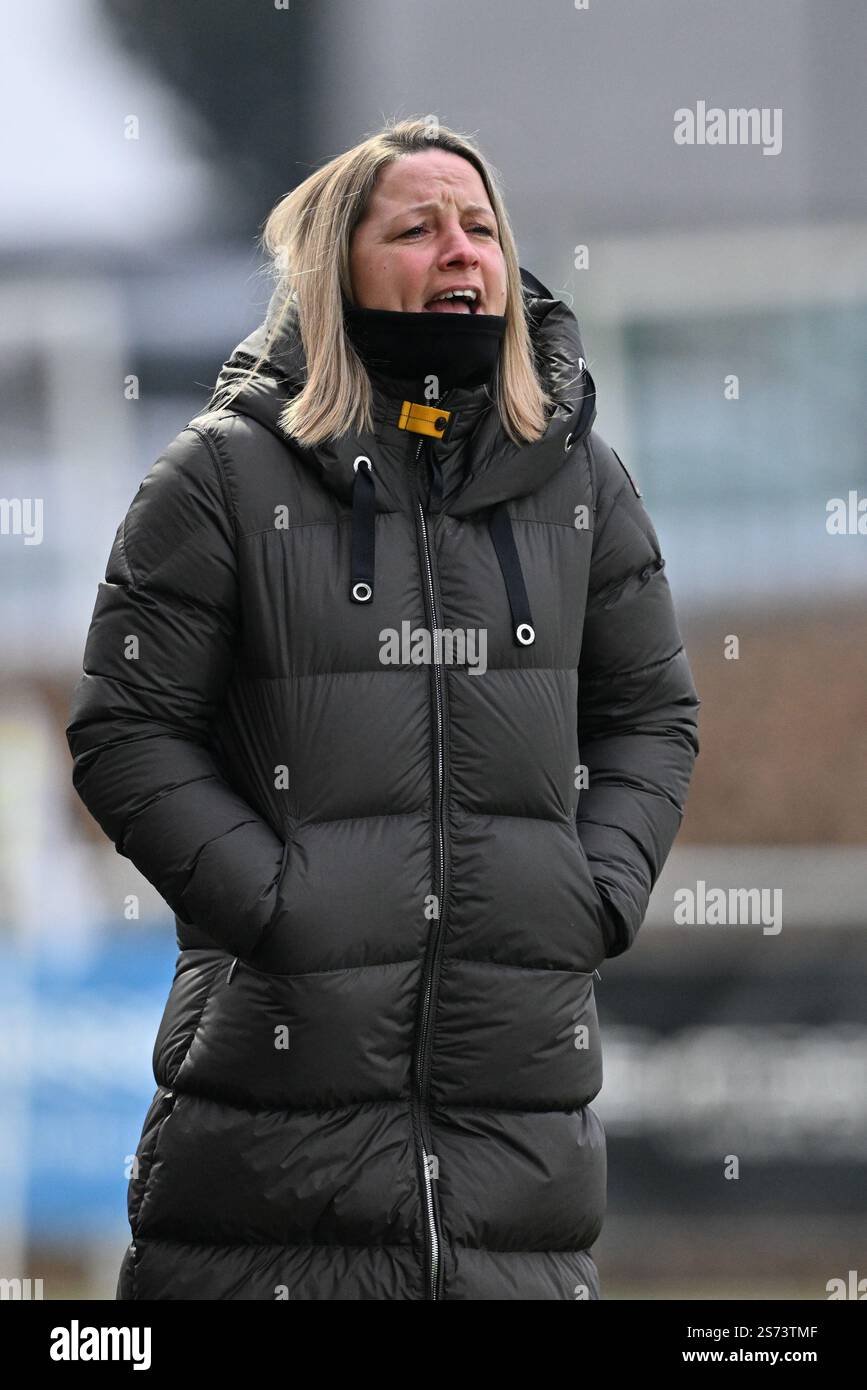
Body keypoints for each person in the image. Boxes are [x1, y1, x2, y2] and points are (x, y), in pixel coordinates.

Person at [66, 117, 700, 1301]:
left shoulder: (583, 484)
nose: (462, 252)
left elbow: (654, 715)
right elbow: (125, 728)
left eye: (482, 228)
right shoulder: (219, 477)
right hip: (266, 1149)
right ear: (332, 268)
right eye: (417, 228)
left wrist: (594, 889)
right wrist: (276, 903)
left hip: (520, 1153)